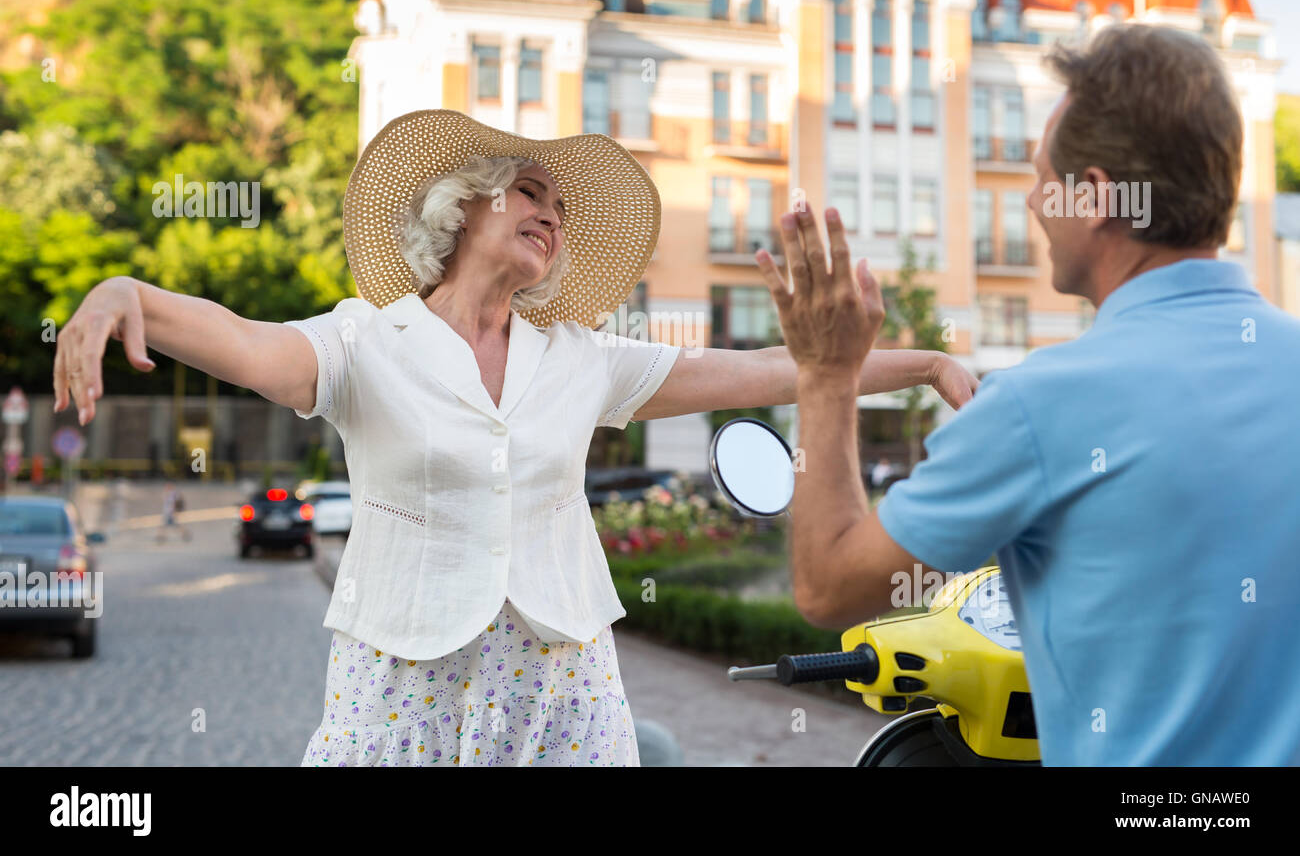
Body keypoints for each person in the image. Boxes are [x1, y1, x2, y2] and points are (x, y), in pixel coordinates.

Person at [52, 108, 977, 767]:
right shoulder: (365, 341)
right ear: (463, 207)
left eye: (561, 210)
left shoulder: (584, 357)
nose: (552, 213)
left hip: (562, 681)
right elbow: (245, 341)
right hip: (399, 679)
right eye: (530, 192)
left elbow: (776, 366)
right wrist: (127, 295)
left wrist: (926, 365)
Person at [754, 23, 1300, 766]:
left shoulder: (1045, 403)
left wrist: (824, 373)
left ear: (1099, 198)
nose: (1035, 205)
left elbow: (829, 587)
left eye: (1045, 179)